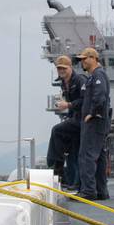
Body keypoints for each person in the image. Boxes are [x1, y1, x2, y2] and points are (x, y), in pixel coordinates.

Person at [45, 55, 86, 190]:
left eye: (63, 68)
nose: (61, 70)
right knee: (73, 152)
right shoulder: (64, 82)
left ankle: (55, 165)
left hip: (82, 119)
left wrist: (67, 105)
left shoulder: (79, 81)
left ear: (70, 68)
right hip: (74, 118)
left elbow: (84, 100)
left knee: (56, 130)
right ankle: (73, 183)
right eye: (59, 68)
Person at [75, 47, 111, 201]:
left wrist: (92, 113)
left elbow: (100, 96)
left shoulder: (98, 75)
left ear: (93, 58)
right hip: (99, 122)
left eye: (84, 59)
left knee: (87, 155)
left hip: (95, 121)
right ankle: (101, 191)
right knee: (100, 156)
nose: (82, 62)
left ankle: (88, 191)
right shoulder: (93, 76)